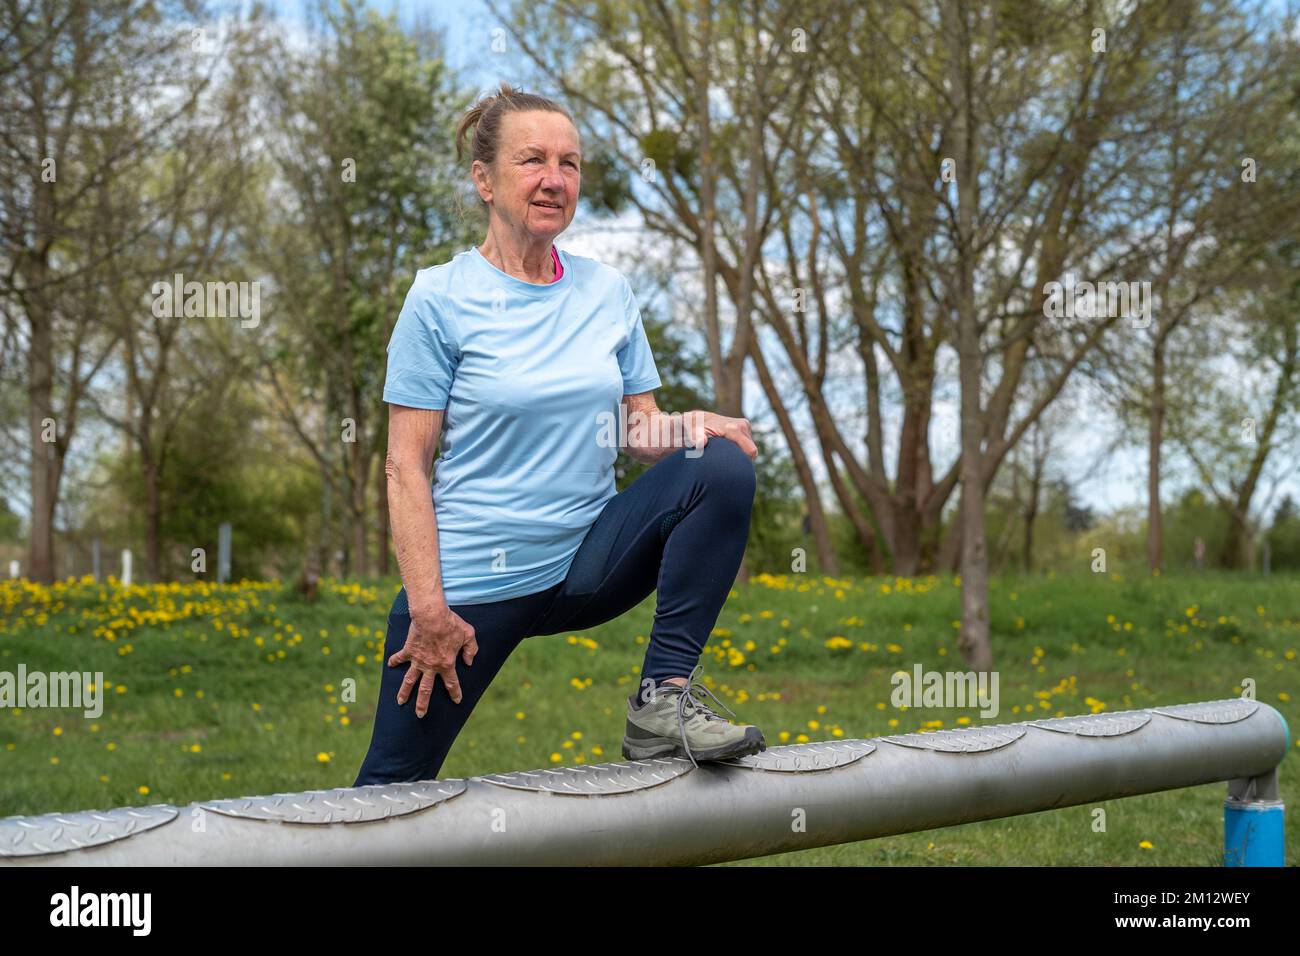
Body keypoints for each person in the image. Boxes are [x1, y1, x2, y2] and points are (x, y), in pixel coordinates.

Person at [352, 82, 765, 786]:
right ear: (483, 179)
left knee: (720, 466)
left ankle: (662, 701)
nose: (554, 180)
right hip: (470, 590)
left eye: (569, 164)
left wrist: (693, 426)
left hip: (588, 560)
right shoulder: (439, 298)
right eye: (533, 160)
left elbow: (638, 428)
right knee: (388, 793)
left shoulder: (607, 291)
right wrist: (429, 609)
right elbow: (405, 466)